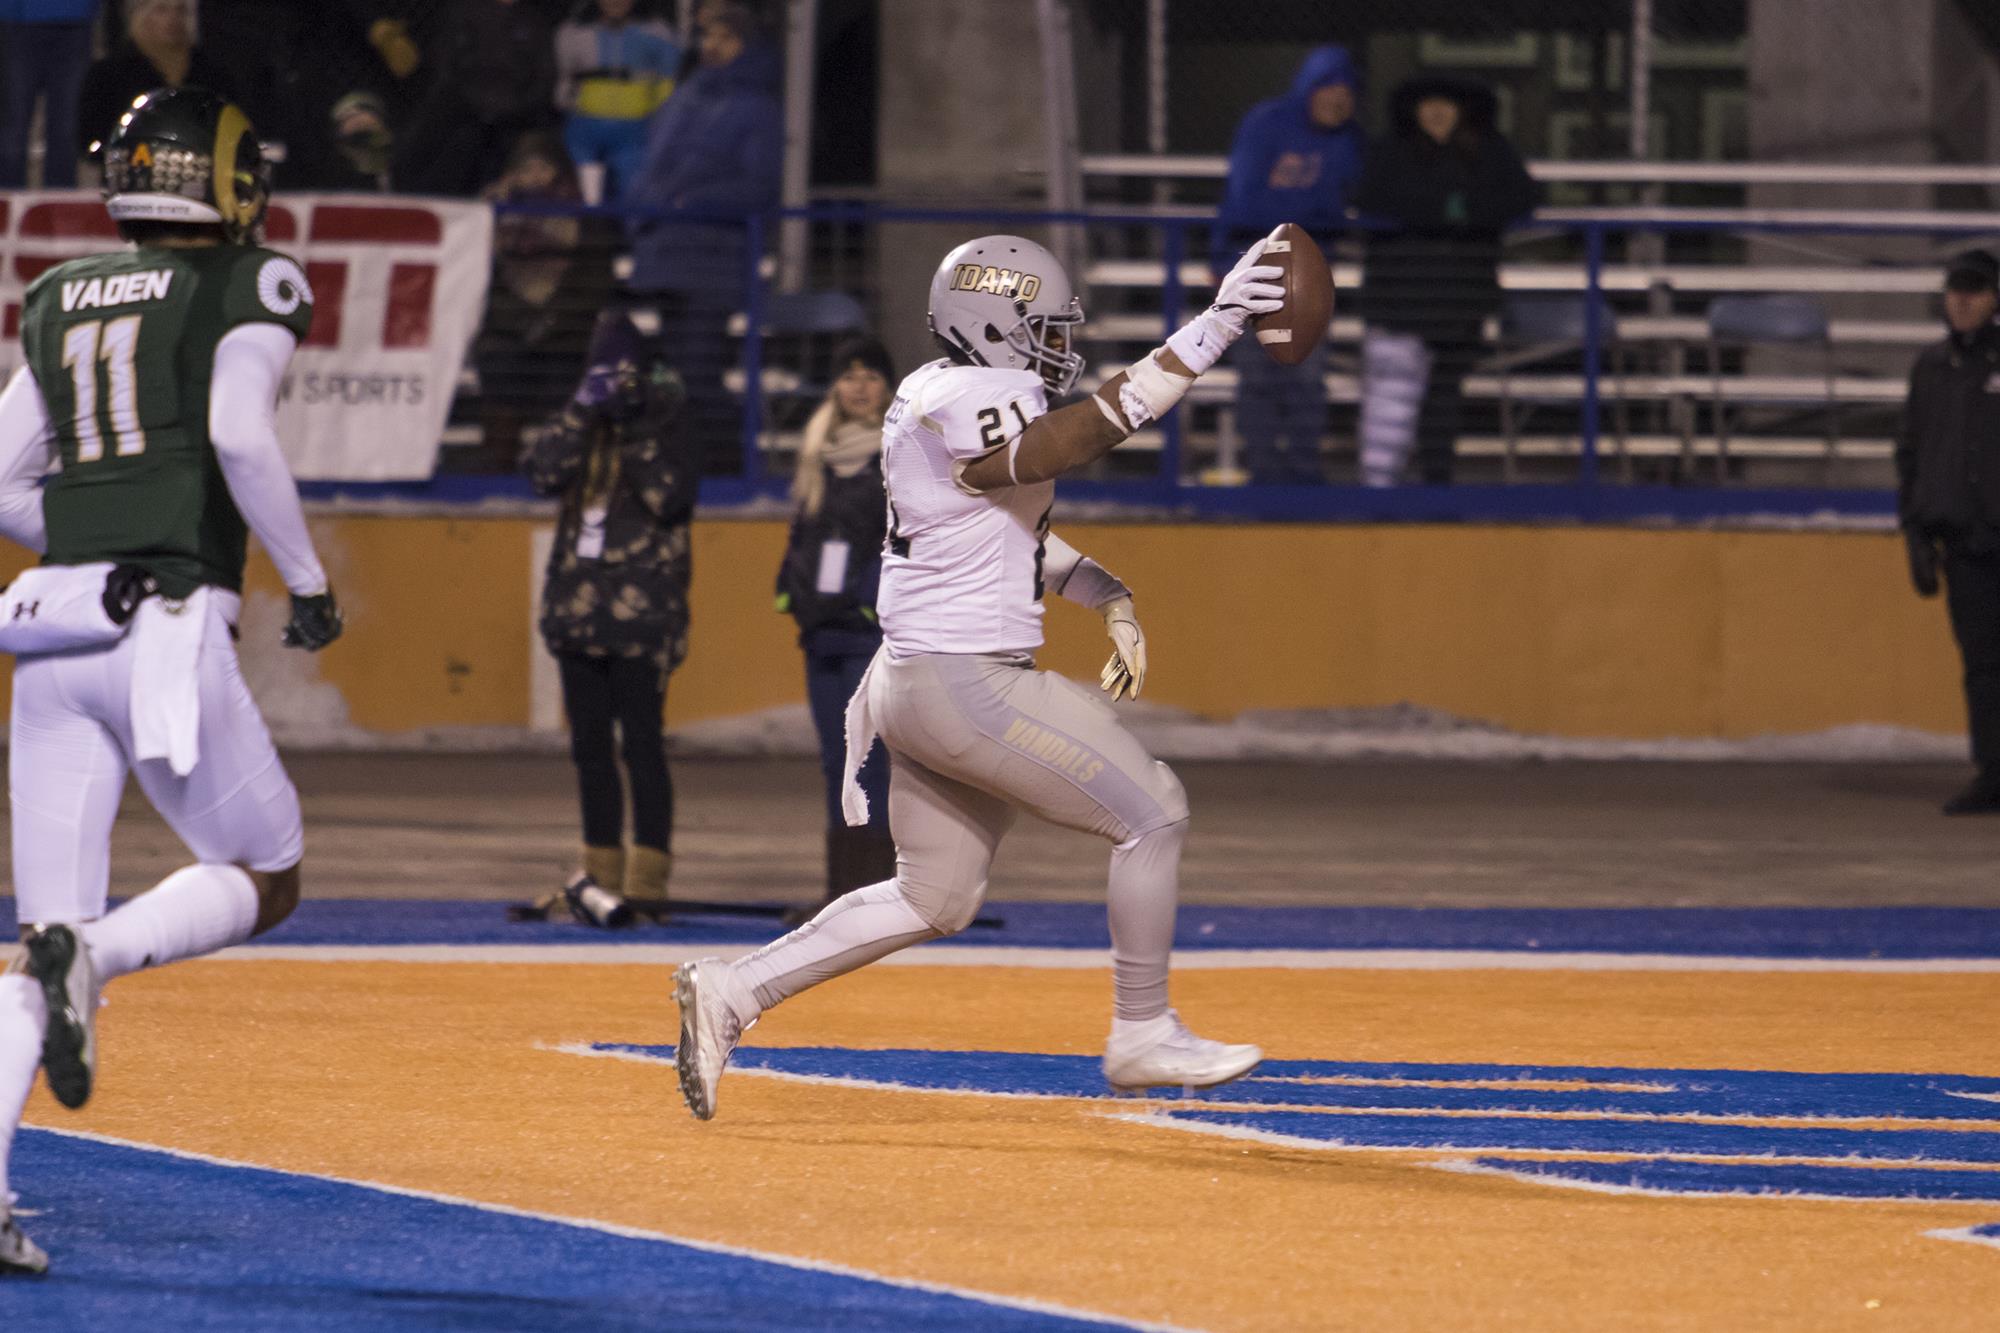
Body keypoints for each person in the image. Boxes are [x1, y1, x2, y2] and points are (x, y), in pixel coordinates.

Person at [669, 231, 1286, 1120]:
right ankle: (1143, 1029)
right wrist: (1215, 326)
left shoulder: (930, 387)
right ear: (995, 323)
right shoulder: (982, 392)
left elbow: (993, 525)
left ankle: (733, 990)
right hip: (965, 681)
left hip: (915, 680)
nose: (1058, 344)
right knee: (1153, 810)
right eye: (1042, 325)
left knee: (935, 894)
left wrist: (1100, 588)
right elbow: (1046, 456)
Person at [0, 87, 342, 1276]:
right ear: (229, 179)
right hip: (168, 622)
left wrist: (90, 527)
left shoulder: (56, 292)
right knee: (269, 873)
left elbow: (1, 478)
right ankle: (99, 956)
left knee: (34, 927)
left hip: (52, 628)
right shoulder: (248, 282)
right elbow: (241, 436)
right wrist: (303, 580)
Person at [523, 311, 696, 912]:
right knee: (590, 750)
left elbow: (671, 497)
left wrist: (635, 424)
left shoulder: (667, 420)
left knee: (642, 747)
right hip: (578, 616)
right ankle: (600, 877)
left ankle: (648, 884)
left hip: (643, 620)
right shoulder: (583, 426)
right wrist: (583, 406)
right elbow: (542, 472)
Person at [1353, 77, 1536, 486]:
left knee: (1446, 394)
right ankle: (1381, 489)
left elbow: (1522, 198)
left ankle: (1437, 481)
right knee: (1392, 398)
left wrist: (1456, 210)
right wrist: (1452, 210)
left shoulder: (1489, 149)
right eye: (1428, 103)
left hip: (1460, 298)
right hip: (1400, 299)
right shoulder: (1391, 150)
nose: (1437, 112)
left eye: (1447, 104)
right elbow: (1370, 198)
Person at [626, 2, 781, 471]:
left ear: (746, 44)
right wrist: (640, 212)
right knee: (672, 379)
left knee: (697, 377)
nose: (710, 45)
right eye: (707, 36)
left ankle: (725, 471)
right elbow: (649, 168)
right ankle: (688, 469)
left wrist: (685, 205)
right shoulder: (684, 97)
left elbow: (758, 187)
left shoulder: (759, 108)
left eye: (724, 37)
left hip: (712, 264)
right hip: (663, 259)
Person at [774, 338, 897, 925]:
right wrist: (789, 593)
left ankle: (876, 896)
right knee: (834, 761)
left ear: (888, 388)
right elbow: (803, 539)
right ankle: (843, 894)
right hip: (821, 632)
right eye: (848, 375)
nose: (858, 386)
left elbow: (905, 542)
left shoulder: (900, 454)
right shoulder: (817, 455)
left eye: (870, 375)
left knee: (868, 760)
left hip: (867, 635)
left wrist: (869, 603)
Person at [1213, 45, 1363, 484]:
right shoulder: (1267, 123)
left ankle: (1303, 474)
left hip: (1309, 275)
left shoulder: (1350, 141)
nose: (1340, 101)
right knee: (1257, 377)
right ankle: (1263, 473)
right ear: (1310, 90)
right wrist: (1222, 258)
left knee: (1307, 378)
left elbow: (1345, 203)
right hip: (1254, 266)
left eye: (1347, 93)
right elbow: (1242, 198)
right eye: (1331, 90)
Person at [1896, 249, 2000, 815]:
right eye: (1956, 289)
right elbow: (1910, 451)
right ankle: (1993, 771)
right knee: (1981, 664)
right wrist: (1913, 528)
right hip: (1963, 538)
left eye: (1976, 290)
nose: (1962, 300)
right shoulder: (1931, 367)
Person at [473, 132, 618, 469]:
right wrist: (520, 321)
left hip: (566, 333)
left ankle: (565, 470)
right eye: (527, 167)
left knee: (568, 371)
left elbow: (594, 281)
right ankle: (497, 469)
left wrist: (552, 321)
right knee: (500, 364)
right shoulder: (489, 215)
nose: (535, 175)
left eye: (543, 167)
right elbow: (480, 278)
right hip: (507, 331)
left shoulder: (585, 218)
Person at [392, 0, 562, 197]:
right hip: (464, 109)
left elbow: (544, 76)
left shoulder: (533, 20)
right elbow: (445, 64)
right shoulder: (464, 12)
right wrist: (469, 102)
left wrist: (515, 107)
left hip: (515, 114)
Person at [76, 0, 236, 162]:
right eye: (161, 10)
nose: (173, 18)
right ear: (141, 14)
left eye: (180, 10)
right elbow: (92, 137)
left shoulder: (209, 72)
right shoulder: (109, 74)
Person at [556, 0, 682, 204]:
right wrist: (567, 106)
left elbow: (667, 79)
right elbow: (564, 76)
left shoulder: (657, 31)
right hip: (584, 126)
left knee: (634, 193)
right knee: (580, 195)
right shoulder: (574, 30)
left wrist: (656, 114)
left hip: (636, 129)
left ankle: (633, 231)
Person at [0, 0, 100, 187]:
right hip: (16, 19)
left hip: (74, 18)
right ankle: (5, 207)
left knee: (66, 127)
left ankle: (58, 209)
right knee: (13, 126)